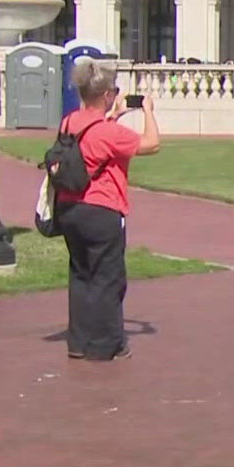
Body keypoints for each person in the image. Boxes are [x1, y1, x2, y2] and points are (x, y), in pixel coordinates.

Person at [56, 58, 161, 362]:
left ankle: (78, 341)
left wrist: (113, 117)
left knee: (80, 273)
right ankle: (107, 344)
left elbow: (91, 146)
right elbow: (152, 144)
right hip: (102, 209)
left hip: (69, 206)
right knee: (108, 278)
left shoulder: (70, 122)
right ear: (105, 95)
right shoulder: (108, 132)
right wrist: (149, 113)